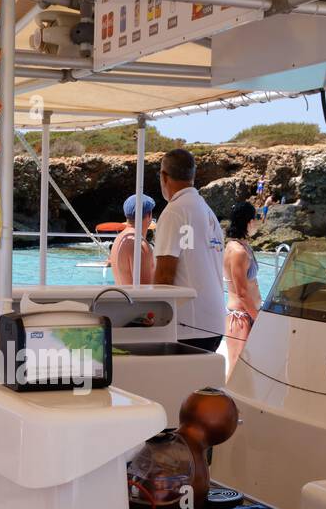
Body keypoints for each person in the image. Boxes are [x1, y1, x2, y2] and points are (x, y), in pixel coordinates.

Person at [152, 148, 227, 351]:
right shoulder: (206, 210)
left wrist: (152, 321)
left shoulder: (174, 212)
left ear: (164, 176)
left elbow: (165, 276)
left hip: (189, 326)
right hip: (214, 322)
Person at [223, 201, 262, 378]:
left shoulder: (244, 247)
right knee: (237, 370)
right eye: (256, 218)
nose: (257, 223)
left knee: (248, 372)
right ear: (249, 222)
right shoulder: (237, 251)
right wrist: (258, 319)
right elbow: (242, 292)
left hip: (248, 314)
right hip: (241, 317)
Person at [109, 194, 155, 286]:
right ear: (149, 215)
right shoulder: (140, 244)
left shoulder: (119, 238)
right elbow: (145, 291)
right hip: (133, 300)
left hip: (122, 298)